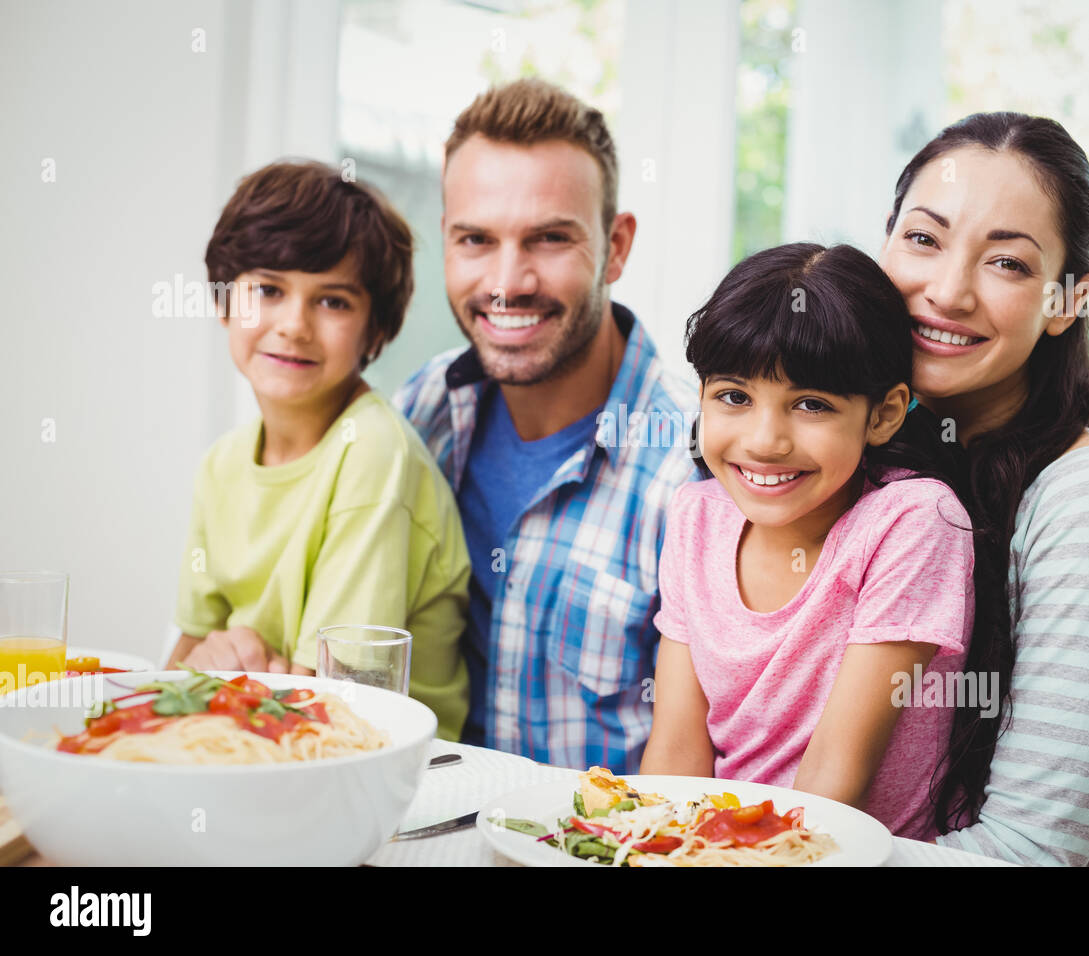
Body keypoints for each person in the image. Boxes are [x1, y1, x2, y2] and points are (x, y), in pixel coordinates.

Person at [879, 111, 1089, 864]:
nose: (947, 292)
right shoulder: (871, 464)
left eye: (1008, 263)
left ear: (1068, 301)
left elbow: (1030, 854)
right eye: (923, 239)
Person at [641, 242, 998, 842]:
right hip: (717, 855)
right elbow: (676, 752)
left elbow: (836, 777)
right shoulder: (696, 516)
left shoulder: (910, 521)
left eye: (811, 405)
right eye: (734, 396)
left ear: (883, 416)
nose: (765, 440)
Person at [395, 79, 698, 772]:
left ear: (616, 247)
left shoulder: (694, 467)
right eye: (475, 239)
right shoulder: (423, 412)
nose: (509, 281)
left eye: (549, 239)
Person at [167, 160, 472, 740]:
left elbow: (335, 702)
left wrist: (238, 683)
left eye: (332, 301)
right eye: (268, 290)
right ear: (223, 301)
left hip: (403, 782)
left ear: (374, 330)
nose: (294, 325)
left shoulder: (372, 450)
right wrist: (222, 673)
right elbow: (182, 662)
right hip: (270, 754)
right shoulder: (222, 465)